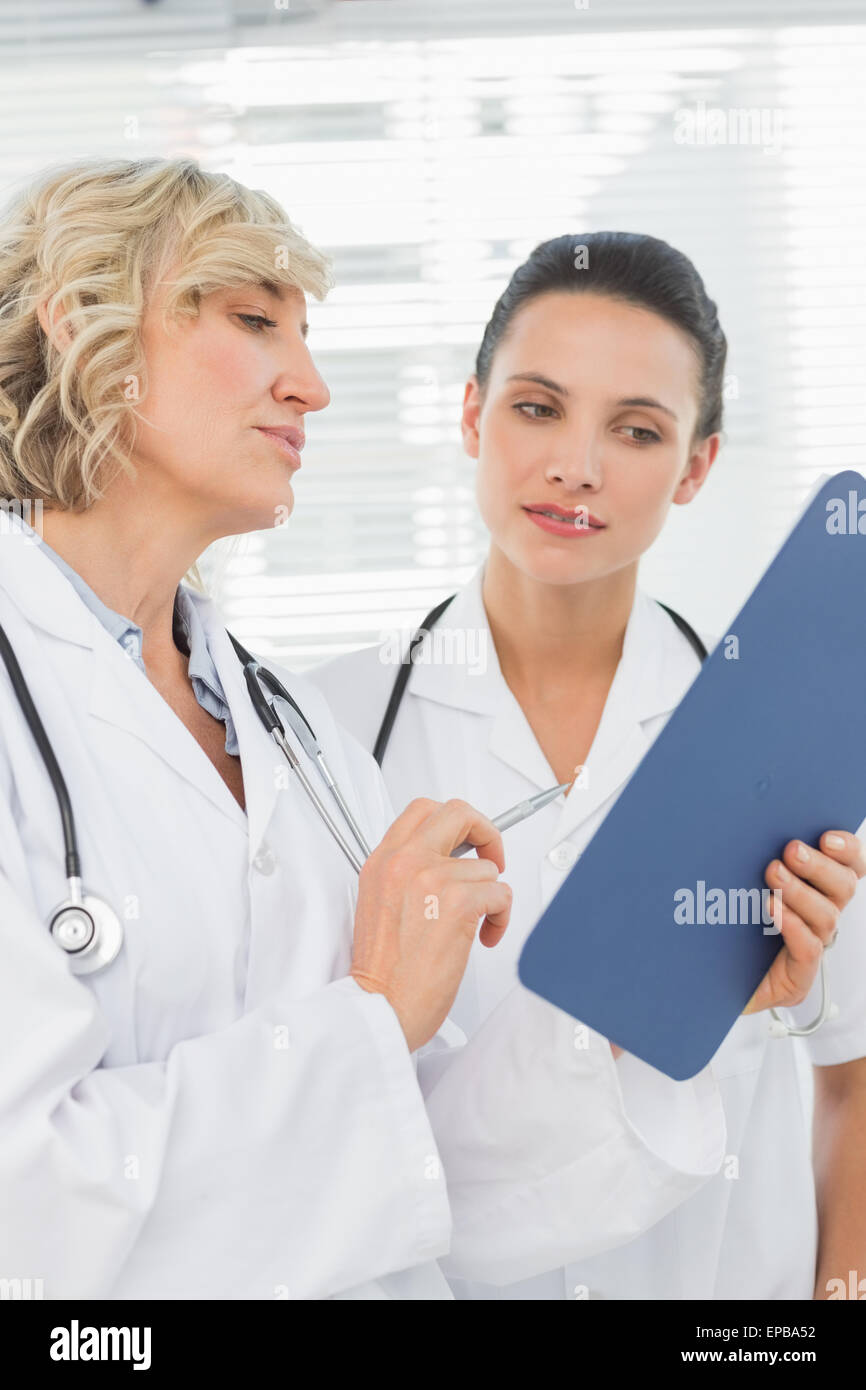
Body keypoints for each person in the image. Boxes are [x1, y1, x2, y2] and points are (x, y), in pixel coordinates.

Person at [1, 160, 798, 1302]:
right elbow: (27, 1210)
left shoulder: (292, 730)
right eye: (254, 320)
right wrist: (364, 1016)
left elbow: (421, 1166)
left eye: (307, 336)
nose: (314, 387)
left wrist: (669, 995)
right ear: (83, 328)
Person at [310, 231, 866, 1299]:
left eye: (637, 429)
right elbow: (309, 1108)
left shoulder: (790, 734)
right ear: (471, 412)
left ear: (695, 465)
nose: (576, 464)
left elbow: (851, 1078)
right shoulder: (324, 730)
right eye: (535, 406)